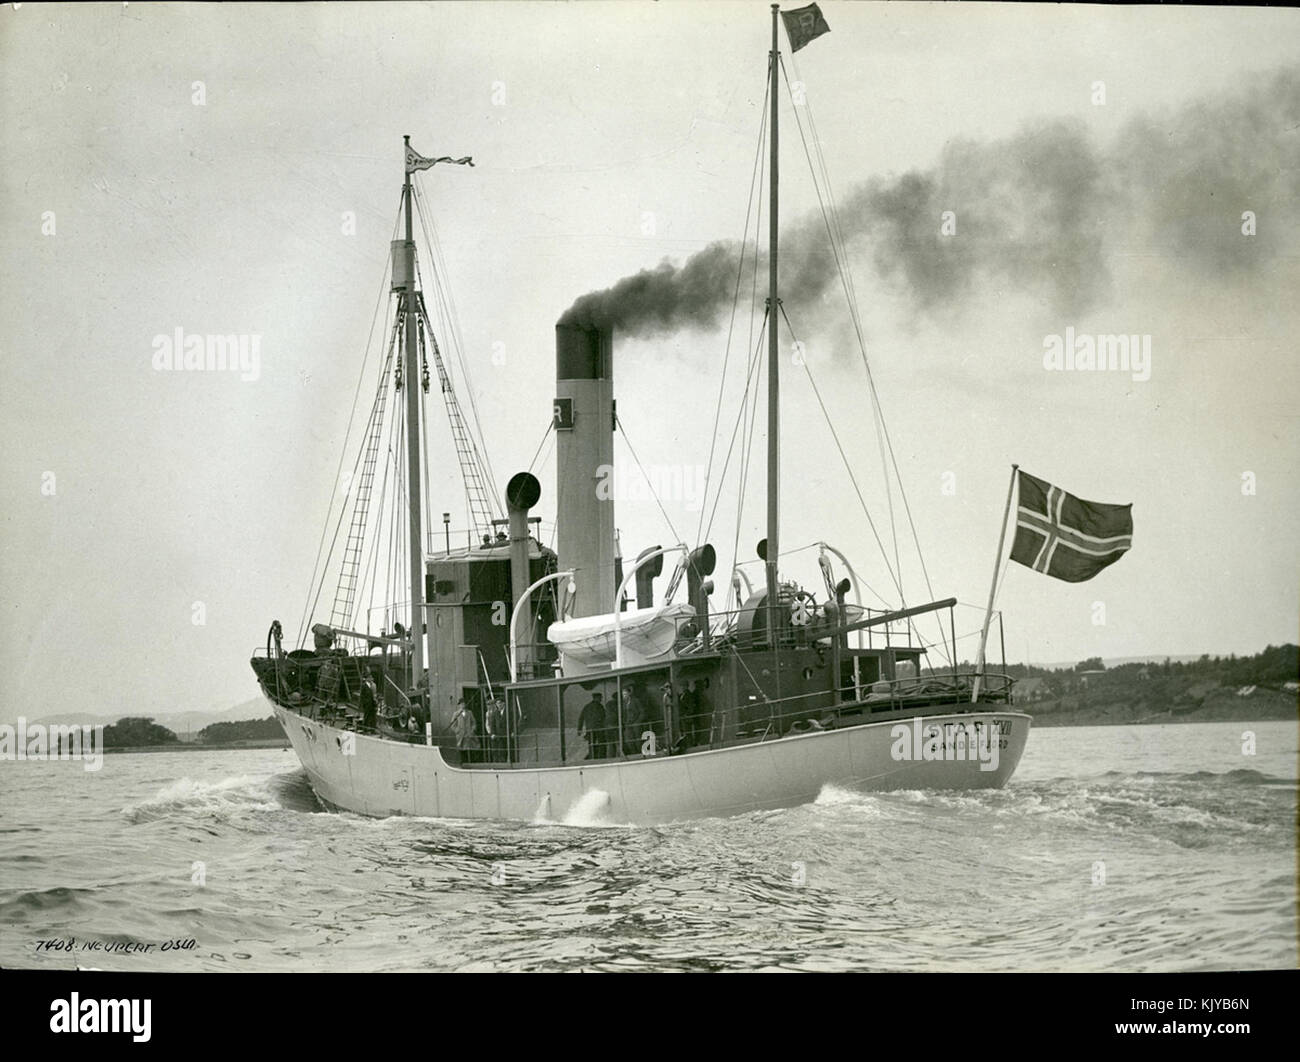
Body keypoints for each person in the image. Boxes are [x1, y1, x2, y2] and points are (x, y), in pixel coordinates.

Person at [577, 691, 606, 760]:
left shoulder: (587, 706)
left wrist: (579, 729)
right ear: (597, 698)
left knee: (591, 744)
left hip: (590, 729)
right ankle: (601, 757)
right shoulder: (600, 707)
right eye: (600, 698)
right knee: (601, 743)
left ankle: (592, 757)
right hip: (599, 729)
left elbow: (581, 718)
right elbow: (604, 717)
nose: (601, 699)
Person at [450, 698, 479, 763]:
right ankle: (463, 764)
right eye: (461, 704)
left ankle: (471, 764)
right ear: (459, 705)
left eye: (463, 704)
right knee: (462, 751)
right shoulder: (456, 714)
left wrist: (472, 730)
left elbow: (474, 723)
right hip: (461, 736)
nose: (462, 705)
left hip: (469, 735)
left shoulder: (469, 713)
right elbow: (452, 725)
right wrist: (458, 731)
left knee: (471, 750)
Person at [621, 686, 646, 756]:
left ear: (629, 693)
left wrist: (638, 722)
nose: (624, 696)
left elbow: (642, 712)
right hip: (628, 724)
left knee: (638, 740)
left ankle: (639, 754)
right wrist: (625, 722)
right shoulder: (623, 703)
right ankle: (633, 754)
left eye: (625, 694)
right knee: (629, 740)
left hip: (636, 724)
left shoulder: (636, 701)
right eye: (623, 694)